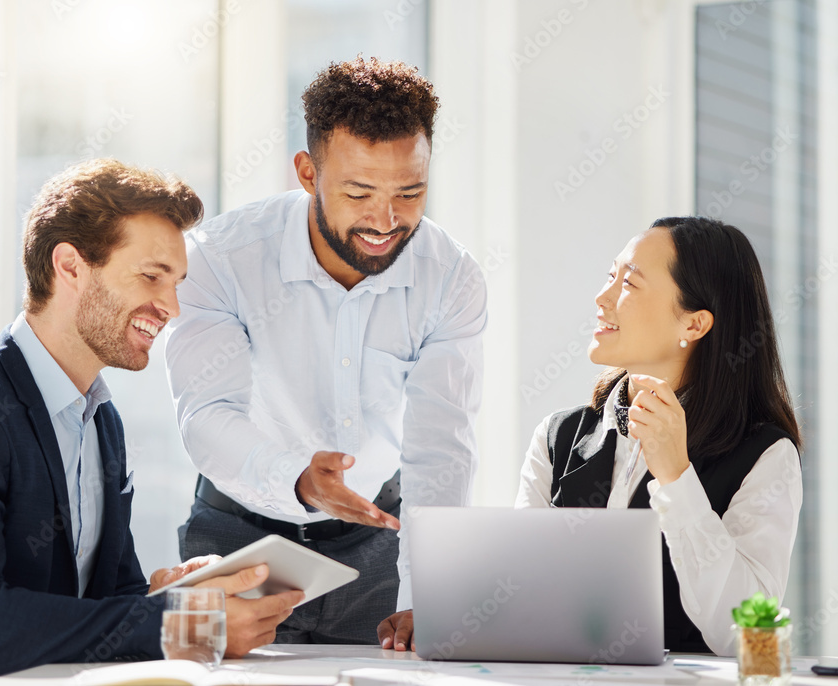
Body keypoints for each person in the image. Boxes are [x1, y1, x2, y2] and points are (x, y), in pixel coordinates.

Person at [0, 159, 303, 686]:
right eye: (152, 276)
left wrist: (173, 596)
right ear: (70, 266)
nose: (172, 307)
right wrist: (179, 623)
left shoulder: (101, 420)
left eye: (176, 283)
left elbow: (107, 600)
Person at [165, 56, 486, 645]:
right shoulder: (219, 259)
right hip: (238, 539)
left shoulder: (451, 277)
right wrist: (298, 480)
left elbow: (441, 449)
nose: (386, 220)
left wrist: (428, 593)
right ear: (307, 173)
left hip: (378, 549)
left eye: (410, 192)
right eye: (359, 191)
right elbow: (207, 415)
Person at [513, 216, 803, 655]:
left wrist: (677, 478)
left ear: (694, 325)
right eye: (611, 276)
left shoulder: (764, 454)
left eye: (629, 284)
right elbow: (516, 599)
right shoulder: (558, 436)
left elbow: (744, 637)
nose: (602, 296)